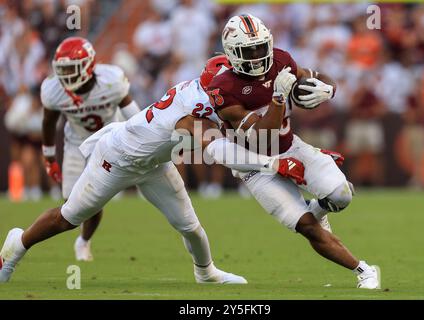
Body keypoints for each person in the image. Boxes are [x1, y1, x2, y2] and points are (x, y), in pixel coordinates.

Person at [0, 55, 305, 284]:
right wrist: (273, 163)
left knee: (190, 227)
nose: (236, 93)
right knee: (69, 217)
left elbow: (240, 125)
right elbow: (218, 150)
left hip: (154, 163)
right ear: (215, 87)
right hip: (117, 160)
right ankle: (18, 243)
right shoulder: (192, 112)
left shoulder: (204, 94)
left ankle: (206, 273)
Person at [206, 14, 380, 289]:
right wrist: (277, 98)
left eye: (260, 47)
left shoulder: (280, 59)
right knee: (307, 227)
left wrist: (328, 89)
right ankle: (364, 270)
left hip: (292, 148)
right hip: (256, 166)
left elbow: (313, 76)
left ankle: (318, 207)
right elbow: (263, 135)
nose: (256, 55)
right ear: (232, 53)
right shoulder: (223, 88)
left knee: (341, 195)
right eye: (248, 50)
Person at [41, 37, 141, 261]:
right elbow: (49, 121)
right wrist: (49, 157)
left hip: (108, 142)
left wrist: (144, 138)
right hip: (76, 144)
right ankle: (81, 237)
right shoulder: (53, 89)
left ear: (88, 65)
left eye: (71, 68)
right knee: (71, 205)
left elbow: (133, 115)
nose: (66, 75)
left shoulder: (111, 80)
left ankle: (84, 241)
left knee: (92, 199)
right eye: (62, 70)